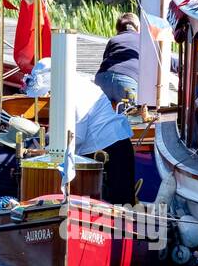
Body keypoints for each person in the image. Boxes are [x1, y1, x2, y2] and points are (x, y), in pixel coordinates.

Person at [20, 59, 137, 204]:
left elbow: (76, 137)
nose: (47, 94)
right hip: (108, 145)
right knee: (110, 205)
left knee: (117, 205)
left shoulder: (71, 92)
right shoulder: (72, 85)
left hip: (111, 149)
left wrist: (44, 152)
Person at [94, 12, 141, 105]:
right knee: (131, 113)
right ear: (138, 27)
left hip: (102, 79)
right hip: (126, 82)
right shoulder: (142, 40)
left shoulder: (113, 40)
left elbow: (105, 60)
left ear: (118, 29)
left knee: (102, 113)